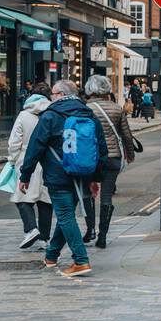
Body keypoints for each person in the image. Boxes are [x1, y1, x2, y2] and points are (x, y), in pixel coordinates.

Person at [18, 79, 108, 278]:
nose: (51, 97)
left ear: (59, 94)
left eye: (52, 93)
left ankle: (81, 260)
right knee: (65, 215)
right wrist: (95, 178)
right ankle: (51, 256)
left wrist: (25, 174)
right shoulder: (89, 114)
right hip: (82, 174)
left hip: (57, 175)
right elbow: (101, 149)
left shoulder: (50, 116)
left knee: (65, 216)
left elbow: (36, 146)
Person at [83, 74, 136, 248]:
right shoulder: (116, 108)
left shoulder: (86, 108)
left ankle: (90, 229)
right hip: (113, 158)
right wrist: (129, 153)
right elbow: (127, 135)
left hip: (92, 158)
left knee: (88, 193)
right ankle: (103, 236)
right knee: (106, 196)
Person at [6, 82, 54, 249]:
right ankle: (44, 239)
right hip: (49, 160)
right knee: (46, 200)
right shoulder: (53, 112)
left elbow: (14, 142)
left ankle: (31, 229)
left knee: (21, 196)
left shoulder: (24, 115)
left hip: (27, 159)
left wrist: (12, 160)